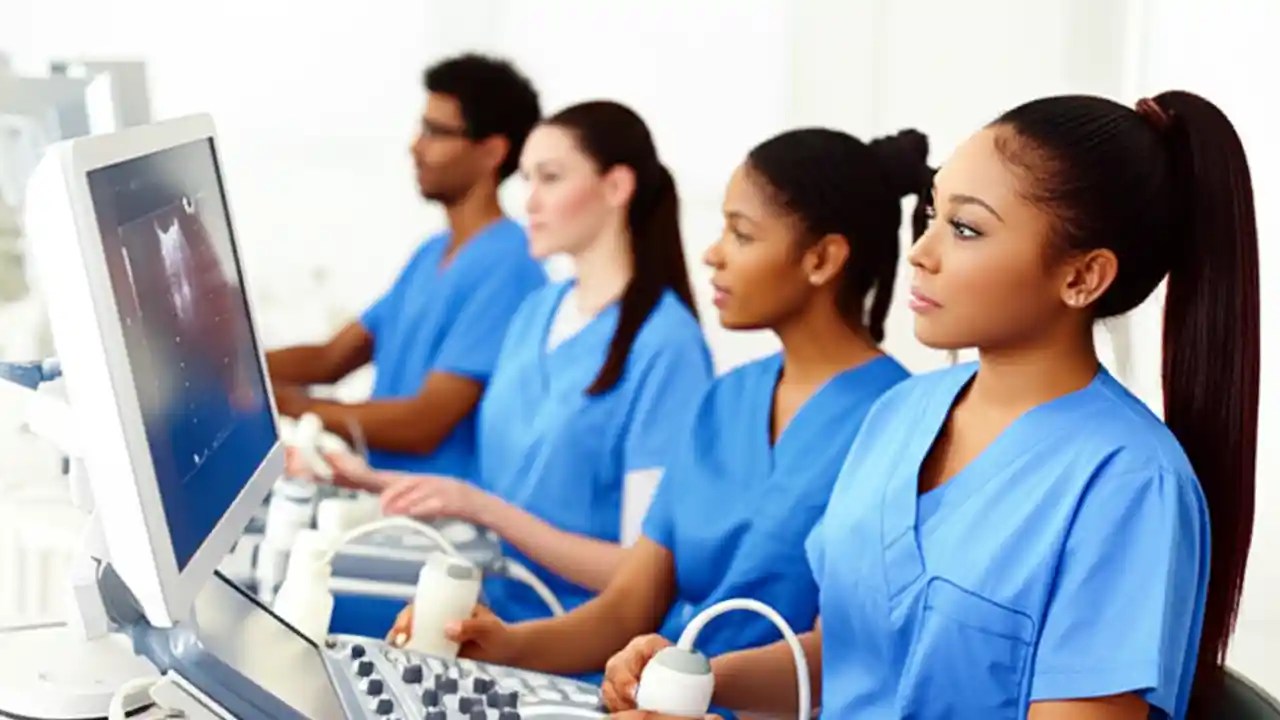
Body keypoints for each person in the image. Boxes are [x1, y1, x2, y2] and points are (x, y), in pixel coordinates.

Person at [606, 92, 1260, 720]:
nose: (920, 254)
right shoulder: (899, 415)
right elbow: (856, 659)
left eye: (966, 228)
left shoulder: (1129, 485)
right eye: (930, 218)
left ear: (1082, 276)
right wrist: (696, 677)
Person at [378, 126, 926, 692]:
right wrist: (506, 645)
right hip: (656, 693)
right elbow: (627, 608)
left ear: (821, 259)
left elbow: (842, 654)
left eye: (740, 234)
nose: (712, 254)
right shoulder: (727, 398)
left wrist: (690, 683)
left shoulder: (896, 421)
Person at [326, 101, 713, 623]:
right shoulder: (537, 312)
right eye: (527, 179)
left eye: (550, 178)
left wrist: (481, 508)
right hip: (488, 609)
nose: (529, 201)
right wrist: (362, 478)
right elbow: (497, 494)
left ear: (616, 188)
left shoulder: (666, 347)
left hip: (576, 640)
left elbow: (640, 573)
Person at [267, 53, 545, 483]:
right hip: (381, 499)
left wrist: (286, 405)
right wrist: (223, 371)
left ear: (492, 151)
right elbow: (330, 359)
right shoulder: (432, 254)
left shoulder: (510, 266)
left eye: (436, 132)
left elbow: (423, 426)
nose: (415, 147)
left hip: (440, 525)